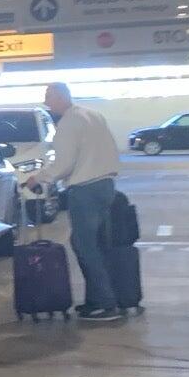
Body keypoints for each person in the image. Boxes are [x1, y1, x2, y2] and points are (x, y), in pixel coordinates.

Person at [31, 82, 124, 321]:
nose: (47, 102)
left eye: (49, 97)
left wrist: (39, 178)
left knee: (84, 245)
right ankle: (95, 301)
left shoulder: (69, 122)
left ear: (62, 96)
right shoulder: (93, 115)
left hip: (85, 190)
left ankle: (105, 303)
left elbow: (64, 164)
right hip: (105, 186)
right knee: (96, 245)